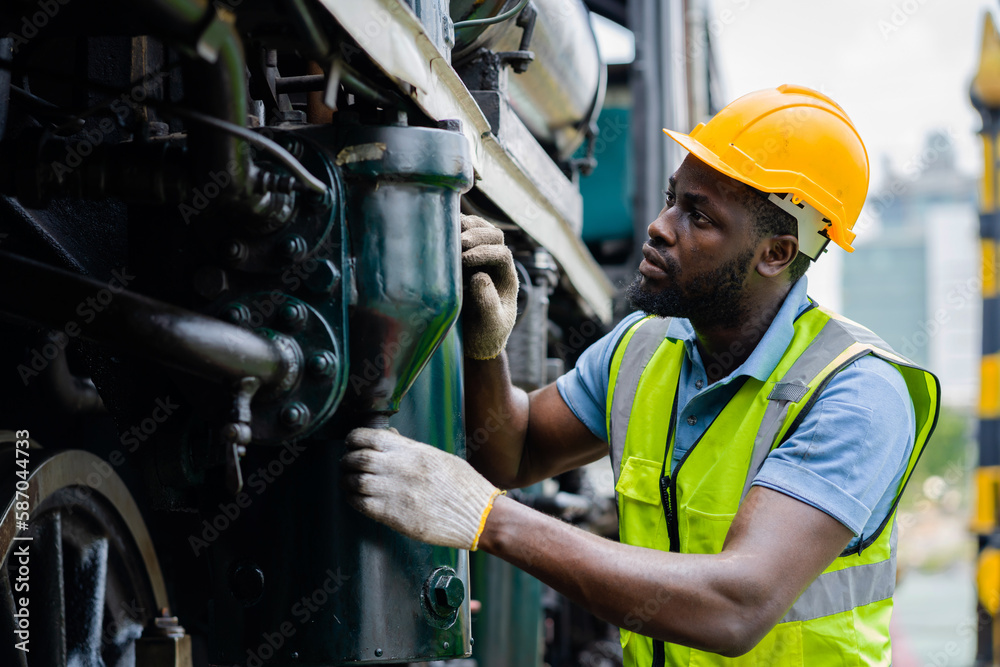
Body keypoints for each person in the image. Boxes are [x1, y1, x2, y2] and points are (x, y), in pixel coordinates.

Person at [342, 85, 940, 665]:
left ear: (777, 253)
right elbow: (514, 452)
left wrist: (487, 519)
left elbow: (735, 606)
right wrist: (485, 346)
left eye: (699, 216)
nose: (660, 225)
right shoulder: (643, 348)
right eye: (672, 197)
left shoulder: (854, 393)